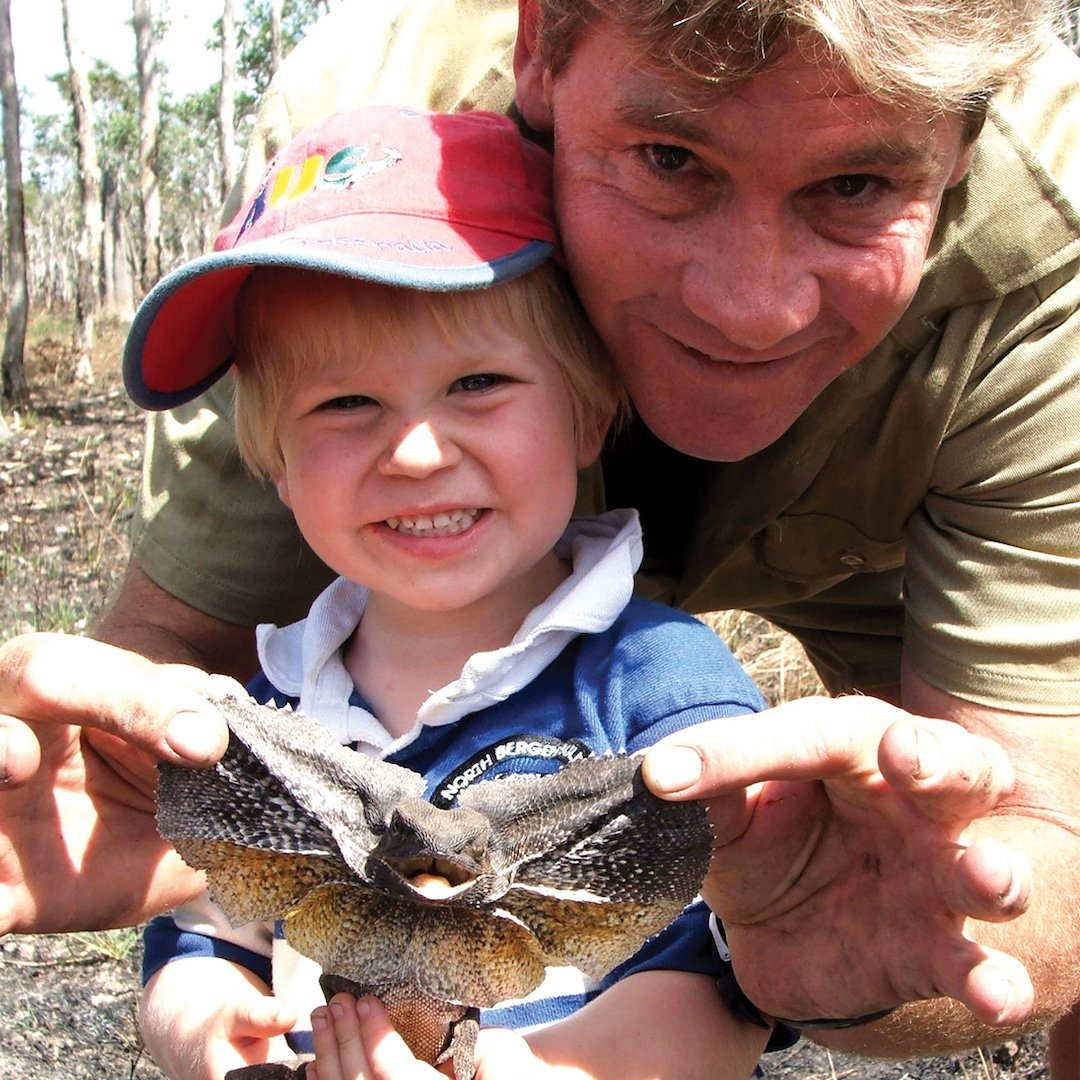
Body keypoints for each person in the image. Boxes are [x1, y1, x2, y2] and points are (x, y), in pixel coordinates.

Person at [0, 0, 1076, 1068]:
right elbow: (184, 851)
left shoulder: (660, 687)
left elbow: (985, 849)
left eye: (855, 185)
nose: (751, 307)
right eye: (669, 158)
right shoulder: (359, 130)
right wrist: (205, 1012)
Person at [128, 104, 772, 1080]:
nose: (419, 452)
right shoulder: (260, 714)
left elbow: (726, 983)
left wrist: (530, 1072)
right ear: (274, 464)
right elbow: (201, 935)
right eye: (345, 402)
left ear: (589, 411)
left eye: (477, 384)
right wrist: (211, 1031)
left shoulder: (658, 683)